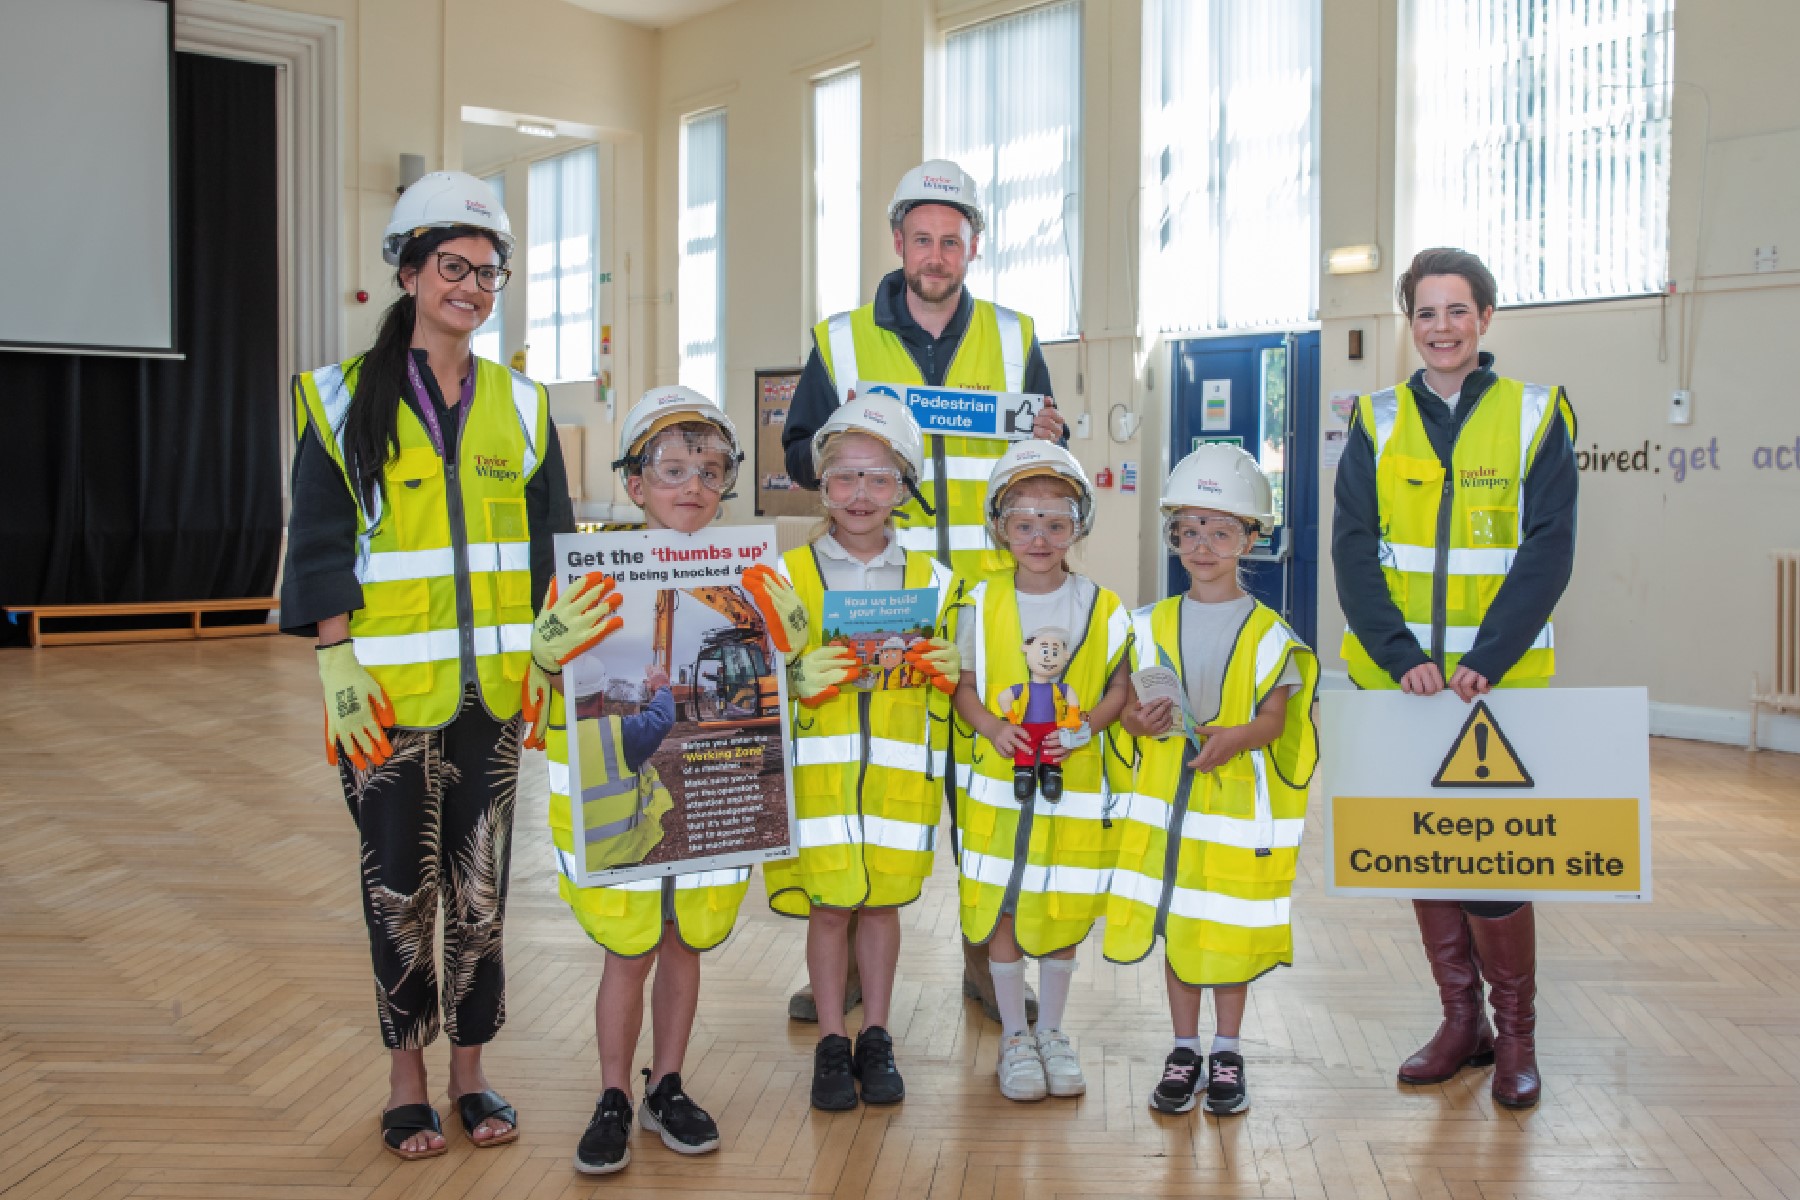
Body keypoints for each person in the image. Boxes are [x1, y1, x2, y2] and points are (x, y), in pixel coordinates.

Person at [279, 171, 578, 1159]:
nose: (475, 287)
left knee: (482, 894)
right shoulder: (337, 400)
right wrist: (335, 662)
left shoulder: (524, 409)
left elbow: (554, 551)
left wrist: (554, 639)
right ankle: (406, 1079)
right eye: (454, 266)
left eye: (491, 272)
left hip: (493, 695)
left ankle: (472, 1074)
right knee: (400, 895)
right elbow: (320, 542)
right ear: (408, 272)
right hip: (385, 700)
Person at [780, 158, 1068, 1025]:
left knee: (984, 789)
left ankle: (989, 957)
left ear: (973, 247)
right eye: (921, 238)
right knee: (871, 782)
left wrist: (1052, 434)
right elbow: (799, 451)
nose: (936, 254)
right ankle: (854, 972)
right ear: (897, 241)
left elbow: (1041, 472)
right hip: (877, 595)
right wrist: (854, 433)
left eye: (952, 240)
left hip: (986, 606)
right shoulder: (840, 341)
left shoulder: (1016, 338)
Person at [1333, 246, 1578, 1110]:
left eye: (1457, 310)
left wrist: (1486, 658)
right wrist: (1403, 657)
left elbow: (1550, 547)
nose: (1441, 327)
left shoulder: (1538, 414)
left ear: (1486, 318)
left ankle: (1516, 1038)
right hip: (1399, 684)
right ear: (1410, 323)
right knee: (1425, 849)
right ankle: (1458, 1023)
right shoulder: (1374, 419)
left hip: (1496, 684)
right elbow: (1354, 549)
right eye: (1426, 313)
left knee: (1494, 864)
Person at [539, 385, 801, 1176]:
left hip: (711, 804)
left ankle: (669, 1083)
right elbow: (554, 695)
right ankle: (614, 1093)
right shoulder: (585, 579)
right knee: (629, 951)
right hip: (619, 822)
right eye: (673, 467)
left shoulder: (757, 574)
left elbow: (783, 666)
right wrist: (544, 655)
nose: (693, 483)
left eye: (711, 469)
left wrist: (792, 640)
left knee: (684, 944)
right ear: (635, 482)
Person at [1105, 444, 1319, 1117]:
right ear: (1173, 536)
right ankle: (1183, 1047)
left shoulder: (1269, 633)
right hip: (1168, 814)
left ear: (1251, 538)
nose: (1202, 545)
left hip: (1231, 819)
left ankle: (1226, 1049)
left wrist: (1236, 739)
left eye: (1221, 530)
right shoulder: (1145, 625)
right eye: (1189, 530)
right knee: (1179, 931)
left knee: (1224, 931)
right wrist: (1139, 723)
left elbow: (1276, 719)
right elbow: (1129, 718)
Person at [763, 392, 960, 1111]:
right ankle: (831, 1039)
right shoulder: (783, 577)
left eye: (880, 478)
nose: (861, 494)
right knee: (828, 910)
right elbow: (742, 684)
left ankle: (877, 1035)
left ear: (904, 487)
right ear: (820, 482)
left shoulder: (937, 583)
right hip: (817, 785)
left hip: (897, 786)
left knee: (880, 909)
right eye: (844, 476)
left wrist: (951, 668)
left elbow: (960, 687)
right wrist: (787, 679)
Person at [949, 441, 1132, 1102]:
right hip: (1000, 793)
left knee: (1062, 904)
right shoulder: (981, 599)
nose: (1039, 536)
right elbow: (965, 687)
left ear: (1079, 526)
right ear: (1000, 526)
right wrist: (991, 727)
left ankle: (1053, 1031)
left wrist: (1091, 726)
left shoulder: (1102, 605)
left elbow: (1118, 686)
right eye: (1023, 521)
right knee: (1004, 906)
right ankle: (1015, 1038)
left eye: (1056, 522)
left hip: (1073, 791)